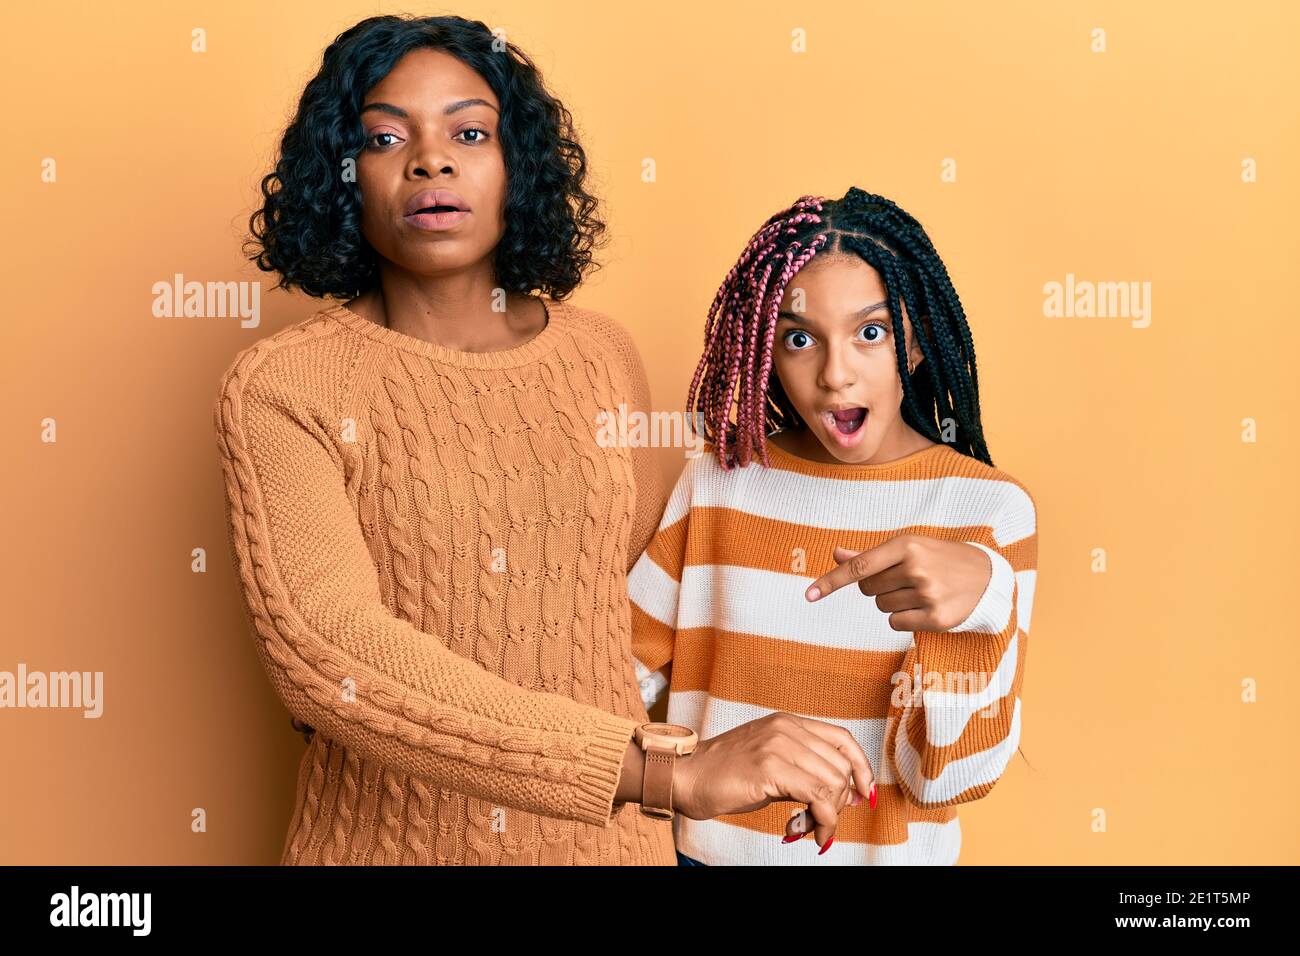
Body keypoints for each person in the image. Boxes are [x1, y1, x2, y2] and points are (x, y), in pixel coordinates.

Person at [214, 13, 872, 866]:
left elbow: (662, 589)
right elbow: (332, 653)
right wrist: (657, 773)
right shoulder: (284, 386)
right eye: (384, 137)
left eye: (470, 131)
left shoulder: (601, 357)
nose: (431, 160)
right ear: (343, 177)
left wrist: (979, 578)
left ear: (514, 165)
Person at [630, 187, 1040, 865]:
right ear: (765, 350)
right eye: (799, 338)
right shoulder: (719, 480)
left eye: (869, 333)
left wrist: (982, 610)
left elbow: (946, 780)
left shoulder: (988, 511)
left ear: (913, 340)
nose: (835, 374)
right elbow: (608, 681)